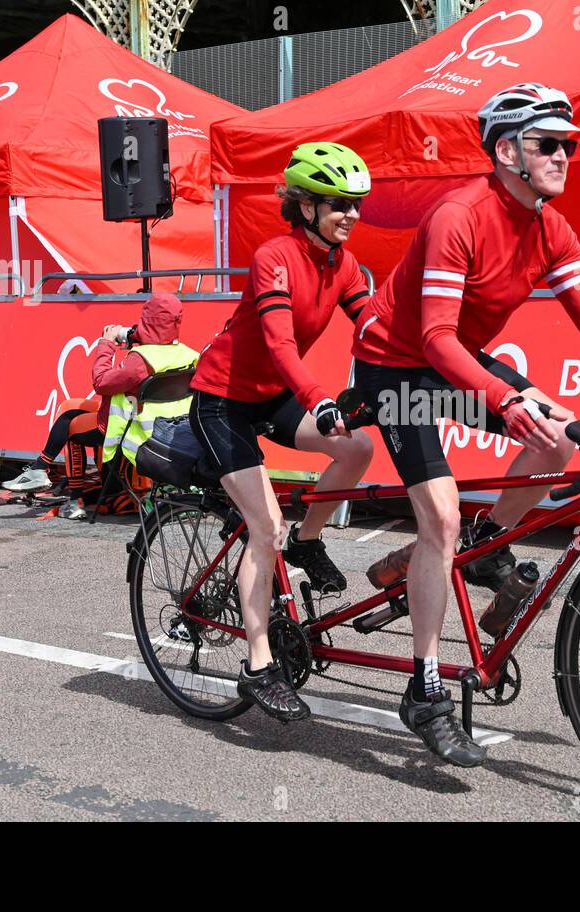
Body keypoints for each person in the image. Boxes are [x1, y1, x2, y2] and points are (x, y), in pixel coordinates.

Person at [351, 83, 580, 767]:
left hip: (455, 360)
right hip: (395, 367)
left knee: (563, 438)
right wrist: (503, 400)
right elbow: (435, 337)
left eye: (569, 145)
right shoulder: (458, 217)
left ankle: (488, 544)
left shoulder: (551, 228)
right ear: (506, 150)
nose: (564, 155)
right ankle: (427, 690)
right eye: (548, 144)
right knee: (436, 518)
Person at [189, 141, 376, 723]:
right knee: (264, 527)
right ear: (305, 205)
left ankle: (311, 539)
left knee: (358, 447)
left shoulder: (344, 265)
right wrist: (319, 400)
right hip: (221, 402)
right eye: (338, 203)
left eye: (356, 204)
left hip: (271, 398)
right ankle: (257, 665)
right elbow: (279, 344)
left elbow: (373, 326)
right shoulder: (274, 255)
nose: (351, 214)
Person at [4, 292, 199, 519]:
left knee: (69, 425)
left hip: (128, 431)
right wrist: (136, 335)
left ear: (147, 319)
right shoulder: (187, 354)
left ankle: (71, 499)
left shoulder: (140, 359)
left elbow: (101, 383)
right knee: (70, 406)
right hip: (167, 428)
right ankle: (39, 468)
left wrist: (106, 344)